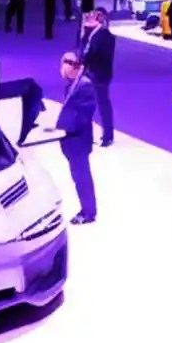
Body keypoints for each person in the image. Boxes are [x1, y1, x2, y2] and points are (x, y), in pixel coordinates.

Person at [57, 52, 99, 224]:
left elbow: (85, 114)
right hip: (71, 137)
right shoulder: (72, 84)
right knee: (78, 176)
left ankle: (88, 212)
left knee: (82, 177)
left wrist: (66, 125)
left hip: (79, 139)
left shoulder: (84, 86)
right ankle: (87, 209)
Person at [80, 8, 116, 148]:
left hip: (100, 73)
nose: (89, 18)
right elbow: (83, 48)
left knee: (102, 104)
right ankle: (86, 133)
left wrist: (86, 59)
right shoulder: (90, 33)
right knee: (86, 102)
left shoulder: (106, 36)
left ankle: (108, 134)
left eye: (93, 16)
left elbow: (96, 54)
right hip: (89, 72)